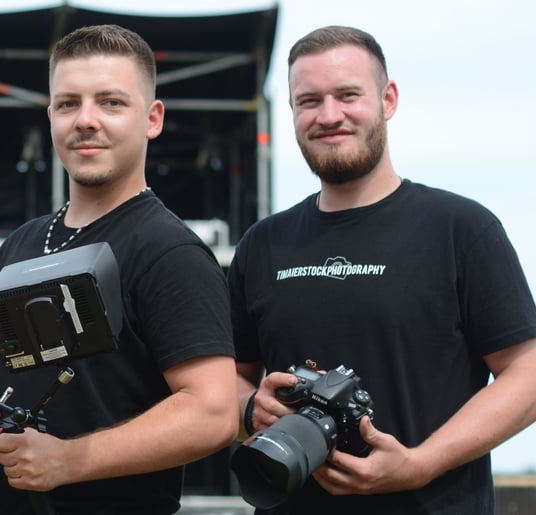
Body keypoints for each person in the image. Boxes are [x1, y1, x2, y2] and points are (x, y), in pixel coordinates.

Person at [229, 25, 536, 514]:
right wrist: (250, 406)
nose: (329, 116)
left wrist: (423, 462)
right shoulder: (262, 245)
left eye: (348, 95)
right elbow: (228, 378)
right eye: (309, 101)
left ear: (388, 98)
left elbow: (528, 374)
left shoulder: (461, 229)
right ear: (291, 113)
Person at [0, 24, 238, 514]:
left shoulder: (170, 252)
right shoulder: (21, 243)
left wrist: (69, 461)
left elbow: (213, 413)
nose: (86, 120)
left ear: (152, 119)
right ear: (50, 117)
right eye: (68, 103)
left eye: (110, 102)